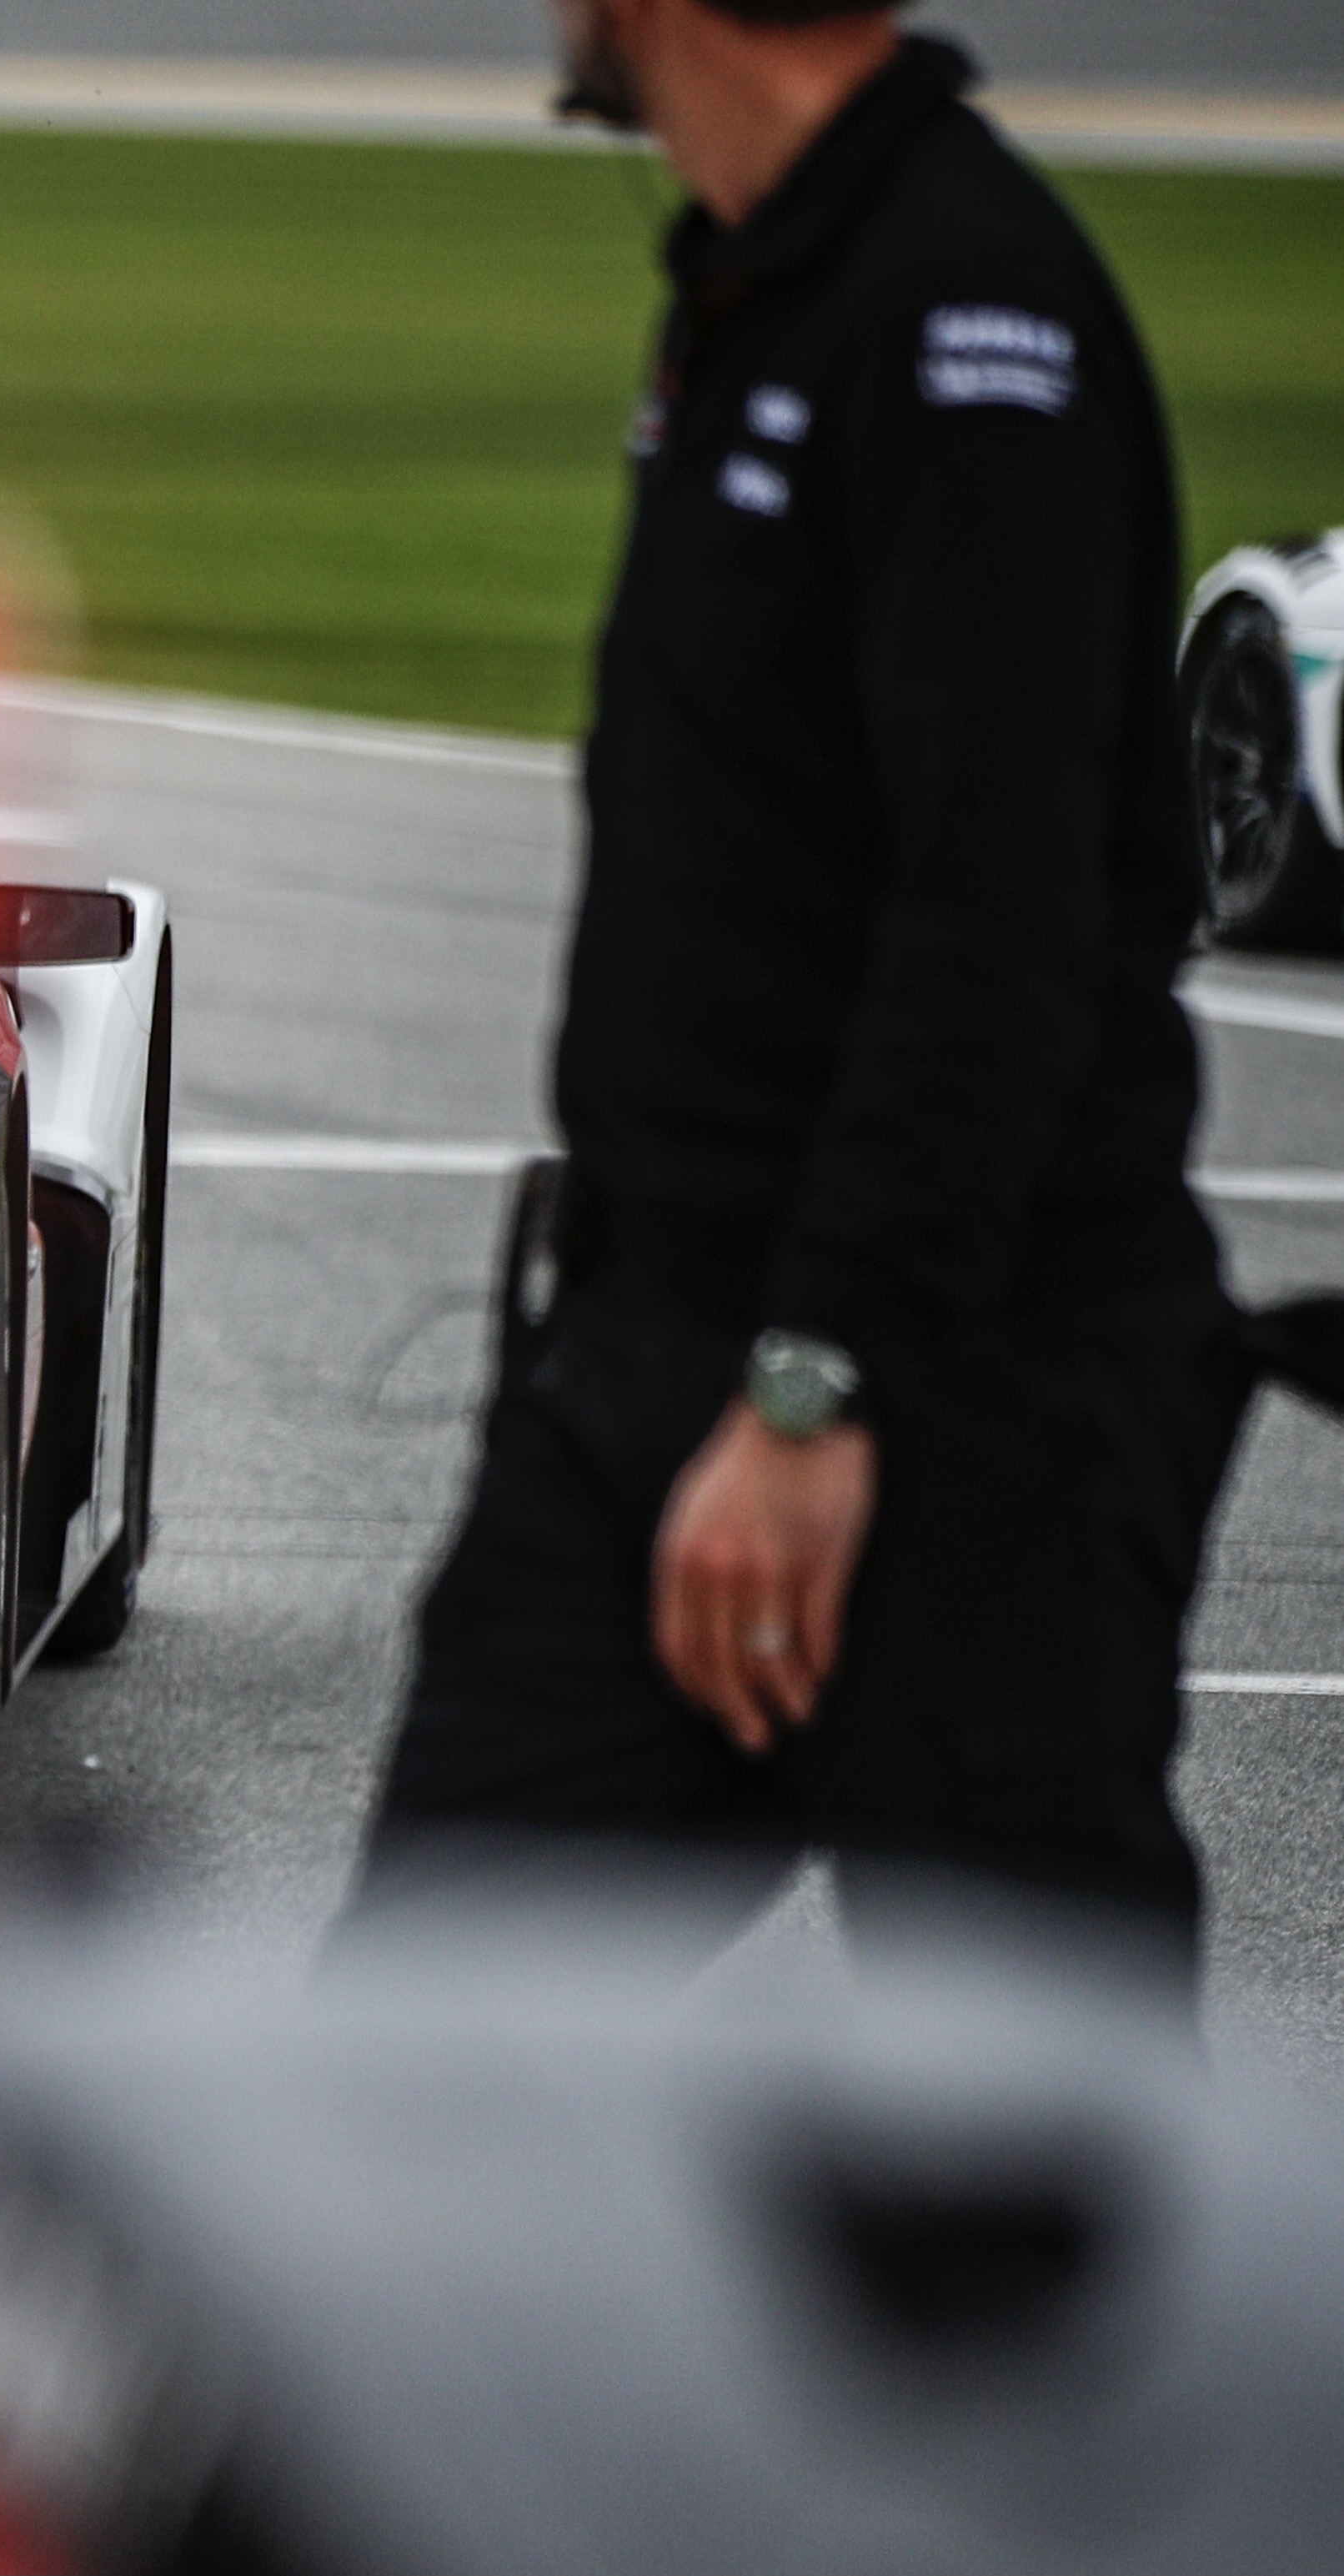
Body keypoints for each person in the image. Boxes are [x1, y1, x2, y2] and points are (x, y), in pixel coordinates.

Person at [345, 0, 1251, 1981]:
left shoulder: (961, 317)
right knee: (407, 2082)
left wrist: (814, 1381)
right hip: (672, 1355)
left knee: (1017, 2195)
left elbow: (997, 920)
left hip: (943, 1399)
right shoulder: (772, 281)